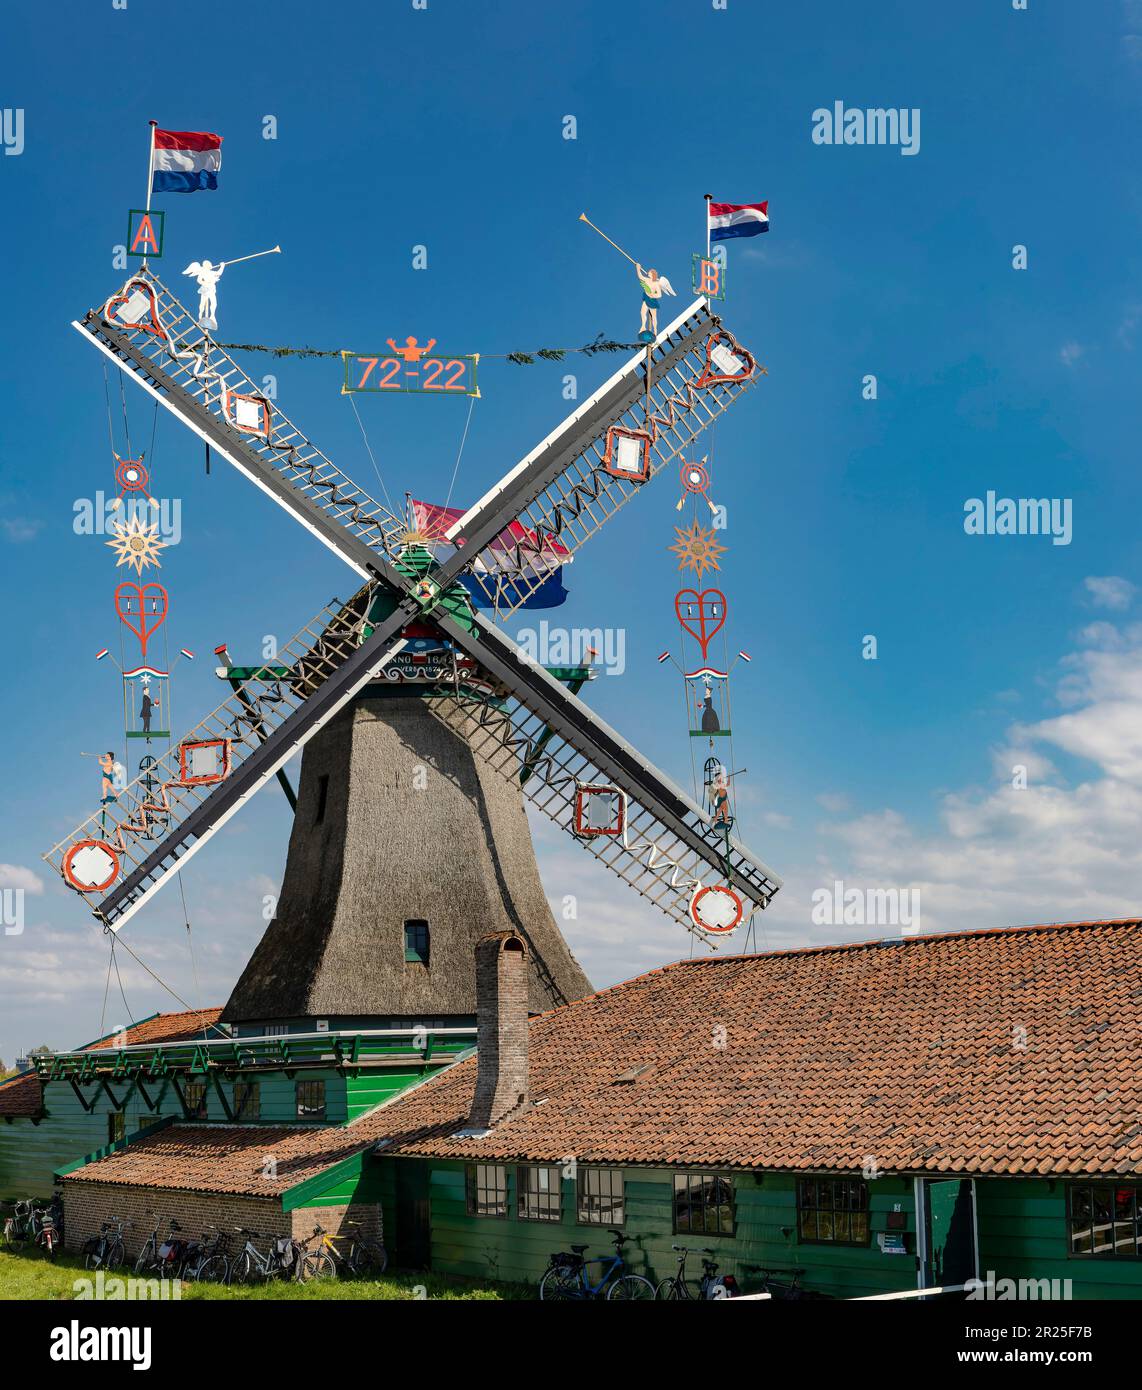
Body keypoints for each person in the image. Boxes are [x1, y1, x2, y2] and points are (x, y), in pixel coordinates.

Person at [636, 264, 675, 342]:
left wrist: (652, 295)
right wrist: (638, 268)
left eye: (650, 273)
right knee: (642, 312)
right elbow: (640, 277)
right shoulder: (647, 280)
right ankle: (643, 326)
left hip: (652, 300)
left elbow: (659, 295)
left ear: (653, 274)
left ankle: (655, 331)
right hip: (646, 298)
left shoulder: (656, 283)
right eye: (648, 272)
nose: (648, 273)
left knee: (653, 316)